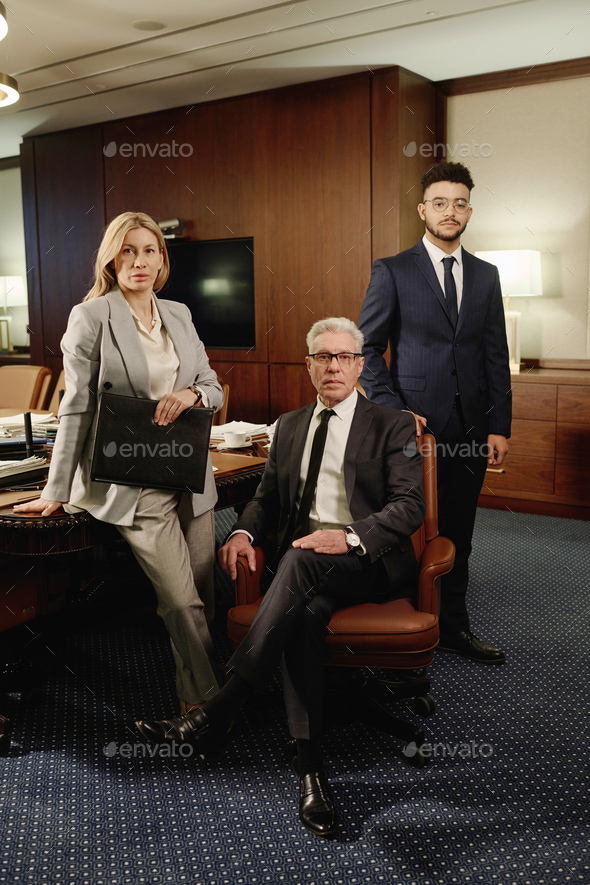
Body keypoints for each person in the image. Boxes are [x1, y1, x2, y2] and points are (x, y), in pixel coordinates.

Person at [136, 316, 425, 838]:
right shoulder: (288, 425)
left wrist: (351, 536)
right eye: (323, 357)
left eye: (344, 357)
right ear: (309, 365)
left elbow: (410, 507)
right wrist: (243, 534)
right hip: (306, 569)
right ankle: (310, 765)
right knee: (307, 608)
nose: (333, 366)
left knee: (299, 560)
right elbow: (264, 501)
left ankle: (216, 710)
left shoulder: (393, 425)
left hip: (368, 564)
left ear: (360, 365)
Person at [14, 211, 224, 714]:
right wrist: (55, 489)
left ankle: (200, 685)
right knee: (180, 599)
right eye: (128, 251)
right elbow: (77, 406)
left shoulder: (179, 314)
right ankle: (207, 703)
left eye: (149, 250)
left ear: (162, 258)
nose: (139, 261)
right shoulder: (91, 317)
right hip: (132, 474)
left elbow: (214, 388)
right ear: (112, 258)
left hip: (187, 468)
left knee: (205, 593)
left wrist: (192, 393)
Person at [358, 161, 511, 664]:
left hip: (470, 428)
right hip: (412, 432)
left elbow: (495, 355)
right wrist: (397, 412)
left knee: (459, 531)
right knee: (406, 526)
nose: (451, 211)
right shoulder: (394, 270)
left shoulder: (487, 276)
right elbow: (366, 350)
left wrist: (499, 426)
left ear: (470, 209)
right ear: (423, 210)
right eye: (440, 203)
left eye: (460, 202)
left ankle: (454, 626)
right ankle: (393, 619)